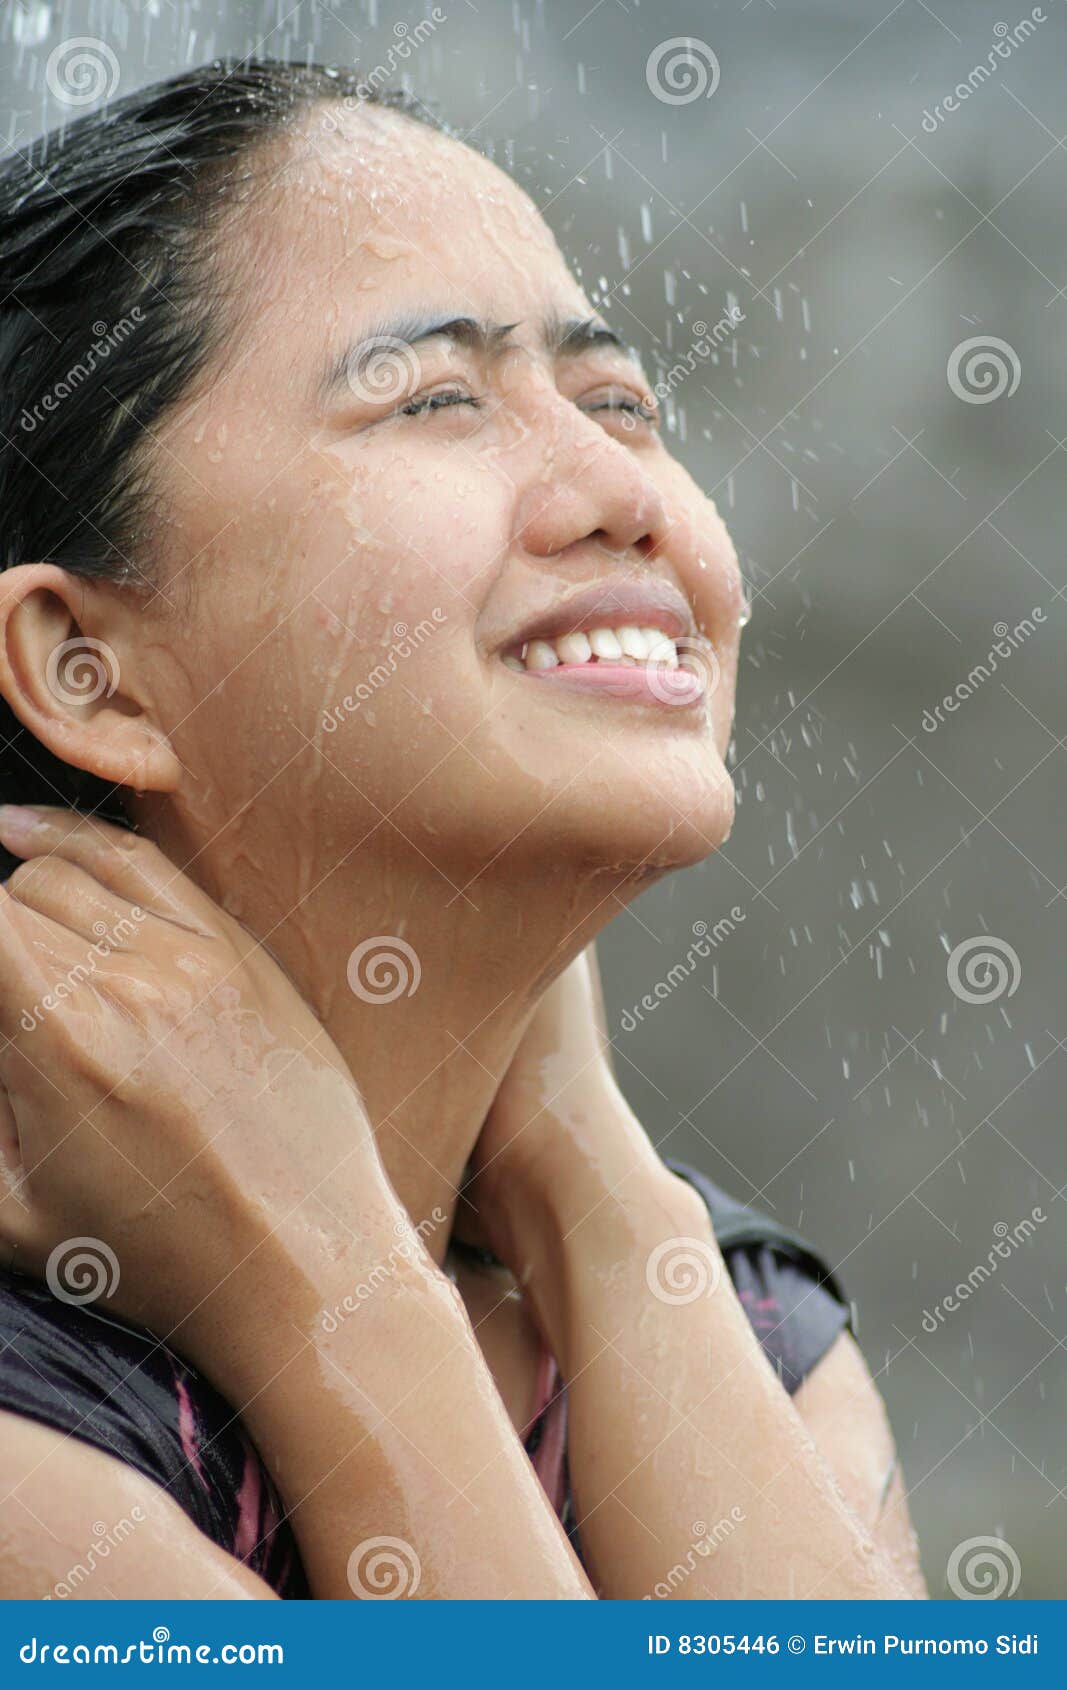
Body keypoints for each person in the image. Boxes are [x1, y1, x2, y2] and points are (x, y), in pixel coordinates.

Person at [0, 60, 924, 1600]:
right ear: (86, 667)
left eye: (621, 401)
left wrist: (590, 1177)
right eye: (435, 398)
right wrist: (335, 1293)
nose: (617, 490)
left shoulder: (750, 1335)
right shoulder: (41, 1473)